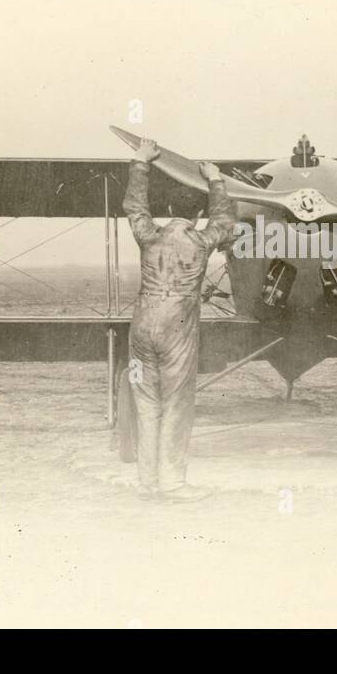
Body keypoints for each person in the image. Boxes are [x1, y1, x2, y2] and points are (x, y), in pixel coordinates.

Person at [123, 138, 236, 502]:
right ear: (197, 215)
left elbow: (135, 207)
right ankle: (171, 482)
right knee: (176, 403)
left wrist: (141, 162)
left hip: (142, 324)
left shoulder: (149, 237)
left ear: (168, 208)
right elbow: (225, 220)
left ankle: (146, 481)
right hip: (178, 328)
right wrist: (215, 180)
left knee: (145, 402)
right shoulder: (202, 241)